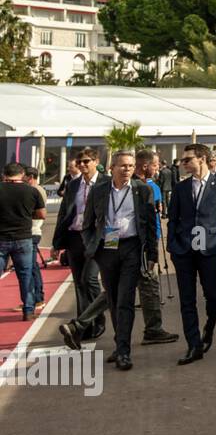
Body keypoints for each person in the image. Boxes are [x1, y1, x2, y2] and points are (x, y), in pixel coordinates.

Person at [80, 152, 158, 371]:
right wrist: (92, 249)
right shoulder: (99, 191)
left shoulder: (143, 190)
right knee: (113, 300)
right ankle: (119, 344)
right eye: (123, 166)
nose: (128, 170)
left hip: (132, 248)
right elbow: (87, 225)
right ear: (112, 167)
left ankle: (124, 351)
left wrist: (152, 255)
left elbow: (151, 224)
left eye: (131, 166)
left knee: (125, 299)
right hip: (107, 249)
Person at [168, 143, 216, 365]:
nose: (183, 163)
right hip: (184, 250)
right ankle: (194, 345)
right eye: (182, 160)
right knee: (187, 299)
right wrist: (172, 246)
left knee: (213, 295)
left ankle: (209, 327)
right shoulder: (180, 188)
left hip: (209, 247)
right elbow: (173, 219)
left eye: (187, 159)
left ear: (202, 159)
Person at [52, 148, 108, 340]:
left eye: (86, 161)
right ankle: (83, 326)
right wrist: (56, 242)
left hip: (97, 238)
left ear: (96, 161)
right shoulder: (74, 185)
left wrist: (112, 242)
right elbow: (64, 213)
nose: (82, 165)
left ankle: (97, 318)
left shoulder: (106, 183)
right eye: (79, 162)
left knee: (90, 279)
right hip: (74, 237)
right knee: (79, 284)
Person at [132, 149, 179, 345]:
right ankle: (154, 329)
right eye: (155, 165)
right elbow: (150, 221)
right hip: (142, 245)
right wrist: (152, 251)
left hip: (136, 244)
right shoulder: (143, 188)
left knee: (123, 286)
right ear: (145, 166)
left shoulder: (144, 186)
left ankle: (81, 323)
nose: (158, 168)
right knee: (148, 285)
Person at [0, 162, 45, 321]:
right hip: (24, 238)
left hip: (2, 238)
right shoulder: (32, 191)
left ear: (5, 174)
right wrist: (25, 216)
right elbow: (41, 214)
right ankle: (28, 310)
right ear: (22, 175)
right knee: (26, 276)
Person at [22, 167, 45, 313]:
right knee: (31, 267)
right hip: (30, 232)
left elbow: (41, 213)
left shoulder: (36, 191)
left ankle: (37, 298)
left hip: (32, 232)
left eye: (23, 177)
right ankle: (32, 299)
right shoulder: (32, 190)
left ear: (30, 177)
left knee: (31, 267)